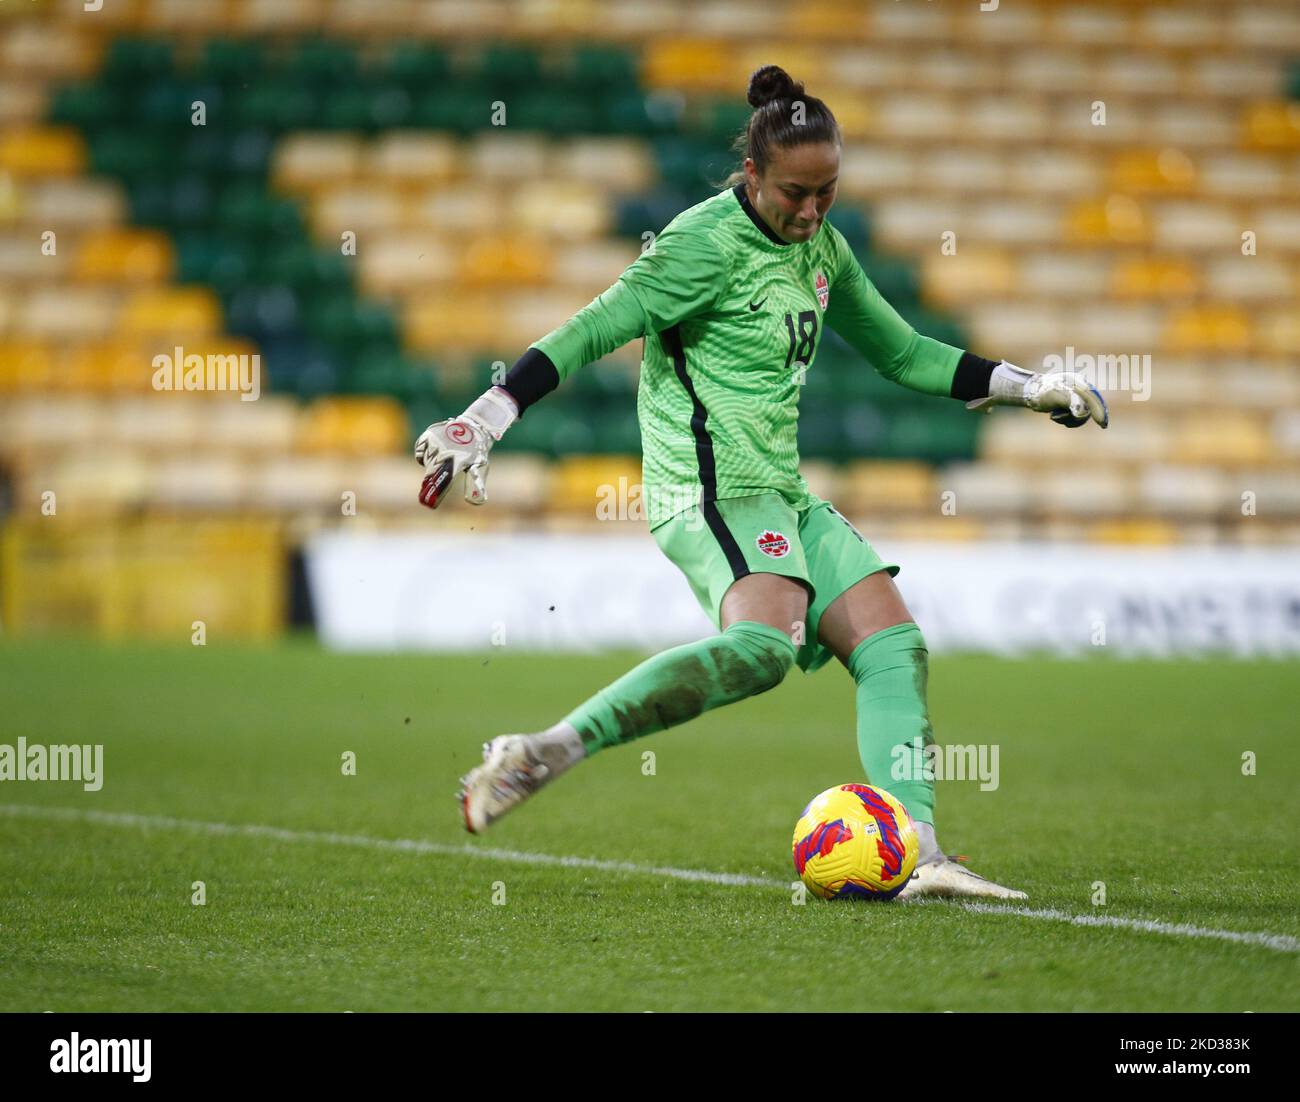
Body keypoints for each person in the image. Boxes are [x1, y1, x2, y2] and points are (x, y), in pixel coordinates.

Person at [414, 65, 1107, 900]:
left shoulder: (823, 248)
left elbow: (904, 351)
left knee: (894, 645)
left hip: (776, 491)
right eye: (794, 193)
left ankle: (923, 854)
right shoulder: (699, 246)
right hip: (704, 493)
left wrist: (1027, 387)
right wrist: (487, 417)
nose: (812, 211)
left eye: (828, 192)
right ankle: (543, 752)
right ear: (751, 174)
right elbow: (596, 327)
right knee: (763, 651)